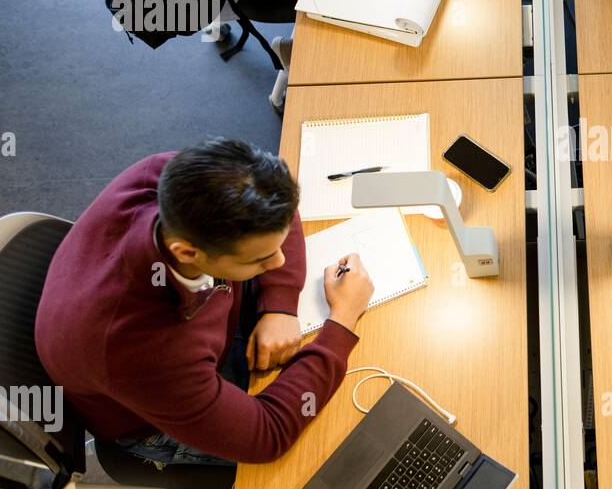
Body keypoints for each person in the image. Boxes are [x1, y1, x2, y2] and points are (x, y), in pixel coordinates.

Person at [36, 138, 375, 466]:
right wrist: (343, 318)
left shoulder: (170, 179)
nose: (280, 263)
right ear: (187, 252)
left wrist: (280, 304)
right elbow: (268, 434)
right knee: (340, 441)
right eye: (260, 259)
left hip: (201, 339)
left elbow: (278, 208)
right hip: (151, 420)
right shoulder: (147, 348)